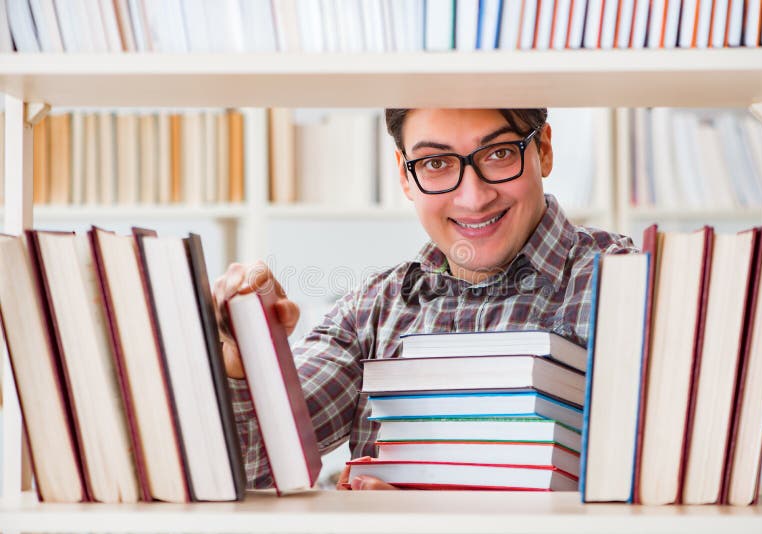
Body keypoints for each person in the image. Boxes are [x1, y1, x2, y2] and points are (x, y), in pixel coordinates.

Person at [214, 108, 636, 491]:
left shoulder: (628, 286)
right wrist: (239, 363)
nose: (474, 197)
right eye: (435, 163)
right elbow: (252, 463)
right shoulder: (371, 312)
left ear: (542, 149)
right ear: (404, 175)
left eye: (499, 153)